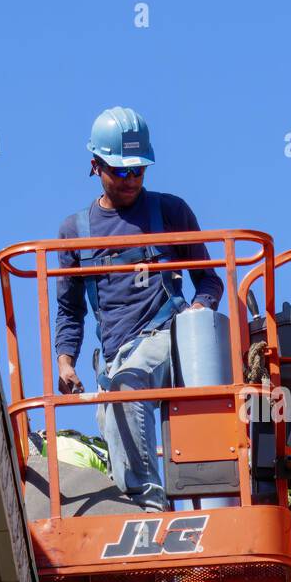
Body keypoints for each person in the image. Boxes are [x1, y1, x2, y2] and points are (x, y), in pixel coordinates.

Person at [53, 106, 224, 512]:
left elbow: (211, 280)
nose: (131, 180)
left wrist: (198, 313)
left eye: (139, 172)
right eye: (121, 171)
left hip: (166, 335)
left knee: (128, 386)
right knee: (113, 409)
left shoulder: (169, 212)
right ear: (96, 166)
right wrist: (65, 362)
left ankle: (151, 512)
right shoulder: (75, 232)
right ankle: (134, 509)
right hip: (114, 353)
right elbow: (69, 310)